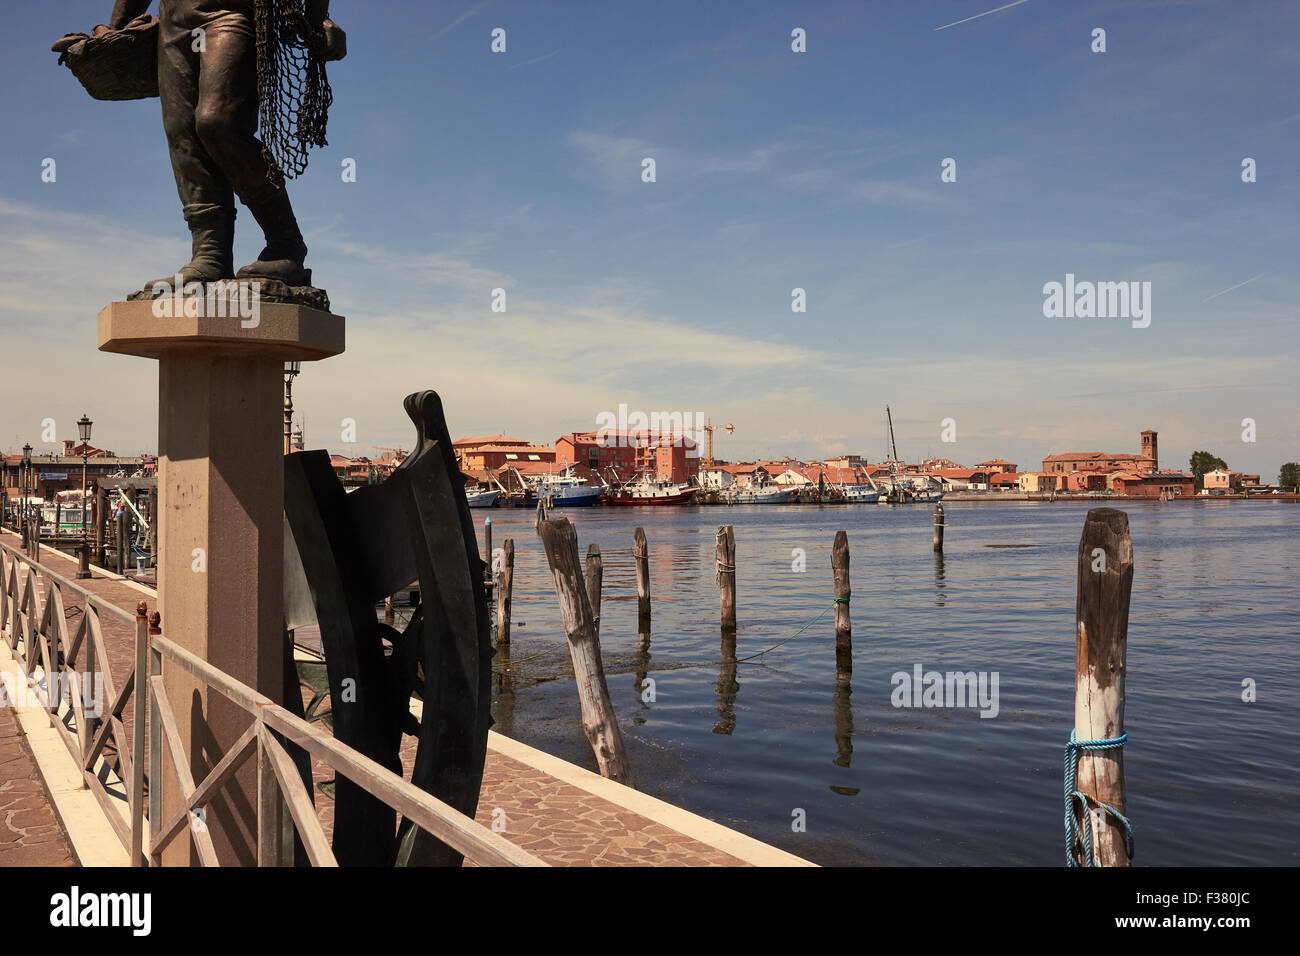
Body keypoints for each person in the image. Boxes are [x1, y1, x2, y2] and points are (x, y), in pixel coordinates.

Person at [101, 0, 344, 288]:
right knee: (182, 132)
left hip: (230, 11)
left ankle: (285, 242)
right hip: (173, 20)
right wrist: (114, 28)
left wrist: (318, 19)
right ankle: (209, 253)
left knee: (218, 123)